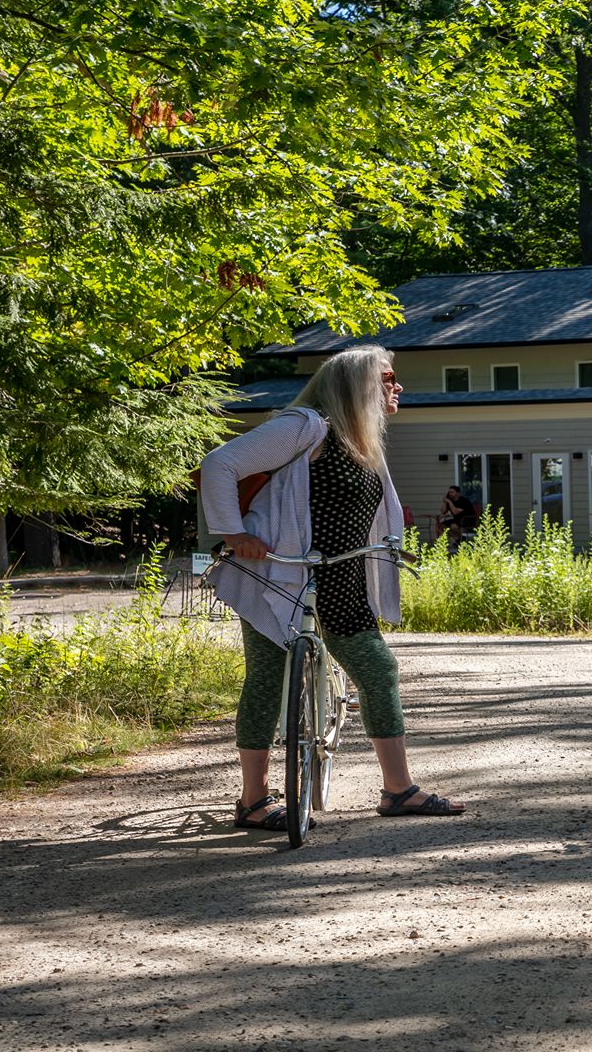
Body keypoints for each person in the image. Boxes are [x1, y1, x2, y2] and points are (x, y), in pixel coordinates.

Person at [201, 345, 465, 829]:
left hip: (340, 573)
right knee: (266, 678)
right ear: (356, 385)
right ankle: (254, 801)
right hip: (278, 573)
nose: (397, 386)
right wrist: (235, 534)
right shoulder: (306, 425)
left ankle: (398, 790)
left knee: (378, 669)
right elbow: (220, 463)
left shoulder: (360, 440)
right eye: (387, 378)